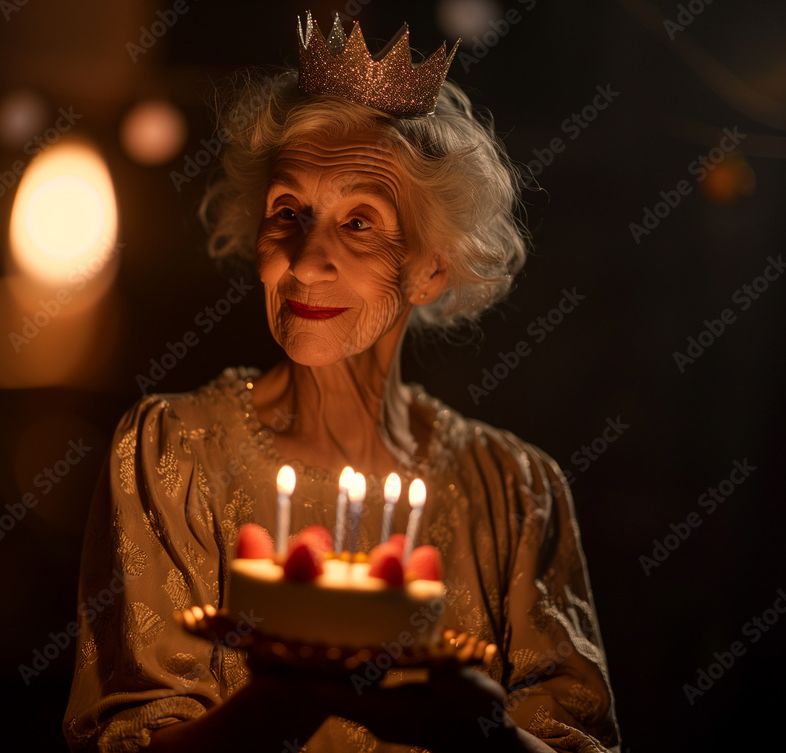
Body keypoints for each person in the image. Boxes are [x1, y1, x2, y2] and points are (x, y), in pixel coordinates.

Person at [64, 13, 620, 752]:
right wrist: (296, 695)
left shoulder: (516, 491)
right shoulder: (174, 451)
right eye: (287, 212)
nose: (305, 258)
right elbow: (128, 741)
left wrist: (482, 737)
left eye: (360, 222)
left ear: (430, 268)